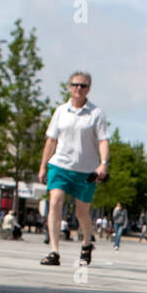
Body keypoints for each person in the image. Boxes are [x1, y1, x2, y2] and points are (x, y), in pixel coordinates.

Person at [38, 70, 110, 268]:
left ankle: (87, 244)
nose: (79, 88)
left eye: (83, 85)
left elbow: (103, 140)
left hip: (86, 170)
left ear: (89, 89)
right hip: (60, 165)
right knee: (55, 202)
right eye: (75, 85)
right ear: (69, 87)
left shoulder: (96, 114)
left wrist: (103, 163)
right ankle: (54, 251)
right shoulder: (61, 111)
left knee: (82, 212)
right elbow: (51, 140)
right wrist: (43, 166)